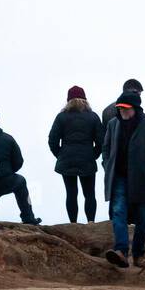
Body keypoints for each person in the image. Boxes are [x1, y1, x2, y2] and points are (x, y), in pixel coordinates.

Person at [100, 92, 145, 269]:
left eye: (125, 108)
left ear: (135, 108)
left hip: (142, 179)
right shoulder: (113, 124)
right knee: (118, 212)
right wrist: (107, 165)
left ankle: (138, 254)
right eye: (120, 108)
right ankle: (121, 251)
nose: (122, 111)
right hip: (119, 177)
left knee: (144, 220)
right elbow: (105, 149)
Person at [48, 86, 104, 223]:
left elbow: (52, 140)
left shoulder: (61, 117)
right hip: (87, 159)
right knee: (89, 194)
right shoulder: (93, 117)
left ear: (68, 100)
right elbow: (101, 141)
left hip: (67, 159)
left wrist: (60, 155)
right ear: (85, 99)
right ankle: (91, 222)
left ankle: (73, 223)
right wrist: (93, 155)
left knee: (71, 193)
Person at [0, 109, 41, 225]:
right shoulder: (7, 138)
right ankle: (28, 218)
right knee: (20, 182)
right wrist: (8, 172)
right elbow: (19, 161)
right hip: (5, 180)